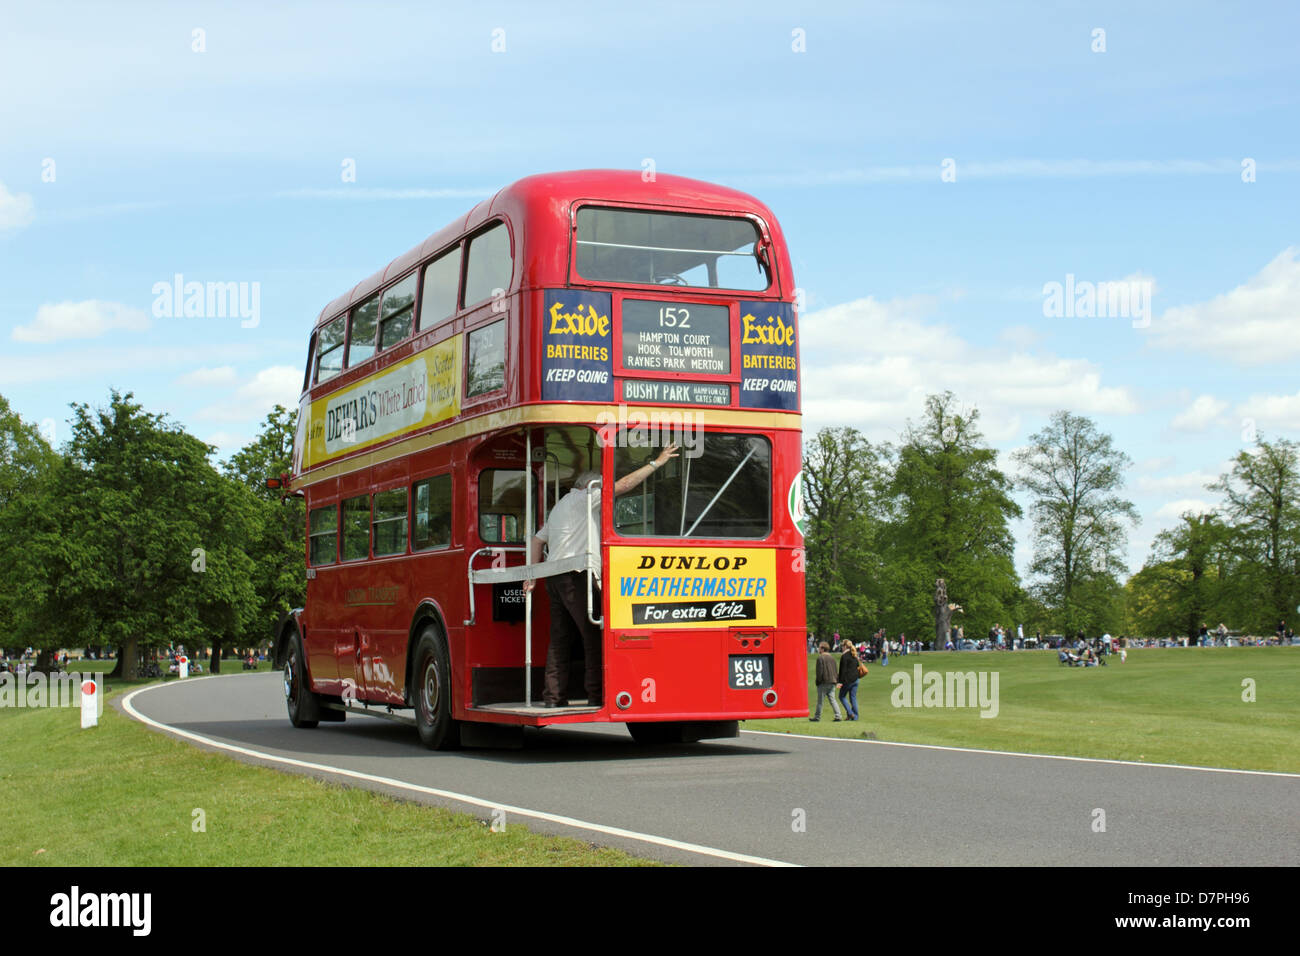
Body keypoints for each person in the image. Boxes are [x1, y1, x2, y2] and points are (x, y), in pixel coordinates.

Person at [525, 444, 679, 707]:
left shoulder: (561, 505)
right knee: (594, 635)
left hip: (554, 577)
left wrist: (530, 575)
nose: (603, 492)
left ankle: (553, 697)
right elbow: (624, 485)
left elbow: (537, 541)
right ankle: (597, 695)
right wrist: (657, 463)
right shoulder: (587, 498)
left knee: (559, 640)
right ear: (591, 486)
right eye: (600, 486)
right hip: (577, 576)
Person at [810, 642, 843, 722]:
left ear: (823, 649)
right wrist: (836, 680)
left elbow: (819, 671)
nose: (818, 649)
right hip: (832, 681)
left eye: (820, 647)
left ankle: (817, 717)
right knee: (833, 700)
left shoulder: (820, 658)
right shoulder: (832, 658)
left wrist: (818, 681)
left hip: (824, 682)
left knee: (820, 701)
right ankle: (838, 715)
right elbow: (835, 670)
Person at [836, 639, 862, 720]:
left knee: (841, 696)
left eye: (842, 646)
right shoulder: (854, 654)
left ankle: (851, 714)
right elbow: (857, 665)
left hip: (848, 680)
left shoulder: (844, 656)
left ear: (845, 646)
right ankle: (855, 717)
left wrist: (839, 682)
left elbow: (842, 671)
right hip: (856, 679)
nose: (841, 648)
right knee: (853, 698)